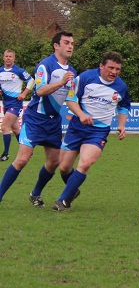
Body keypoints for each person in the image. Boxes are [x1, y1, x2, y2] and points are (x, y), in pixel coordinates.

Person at [0, 31, 75, 207]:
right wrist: (61, 83)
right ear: (56, 46)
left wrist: (83, 114)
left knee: (54, 162)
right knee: (22, 159)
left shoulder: (72, 71)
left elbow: (70, 98)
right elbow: (40, 91)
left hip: (53, 121)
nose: (70, 46)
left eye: (72, 43)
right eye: (66, 42)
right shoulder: (45, 65)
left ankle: (35, 193)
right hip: (35, 119)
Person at [51, 51, 131, 211]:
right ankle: (73, 189)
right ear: (101, 66)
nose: (114, 72)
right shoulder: (85, 78)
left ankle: (63, 201)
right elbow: (71, 99)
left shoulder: (121, 87)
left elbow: (123, 107)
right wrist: (81, 115)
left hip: (98, 132)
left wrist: (122, 125)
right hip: (77, 128)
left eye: (117, 69)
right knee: (64, 168)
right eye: (111, 68)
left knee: (86, 163)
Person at [0, 49, 33, 161]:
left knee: (4, 127)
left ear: (14, 59)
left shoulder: (19, 71)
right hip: (6, 103)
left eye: (10, 56)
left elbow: (31, 81)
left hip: (15, 103)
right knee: (15, 129)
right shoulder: (0, 71)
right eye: (6, 56)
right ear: (3, 58)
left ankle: (5, 154)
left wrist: (24, 93)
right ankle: (28, 150)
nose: (8, 58)